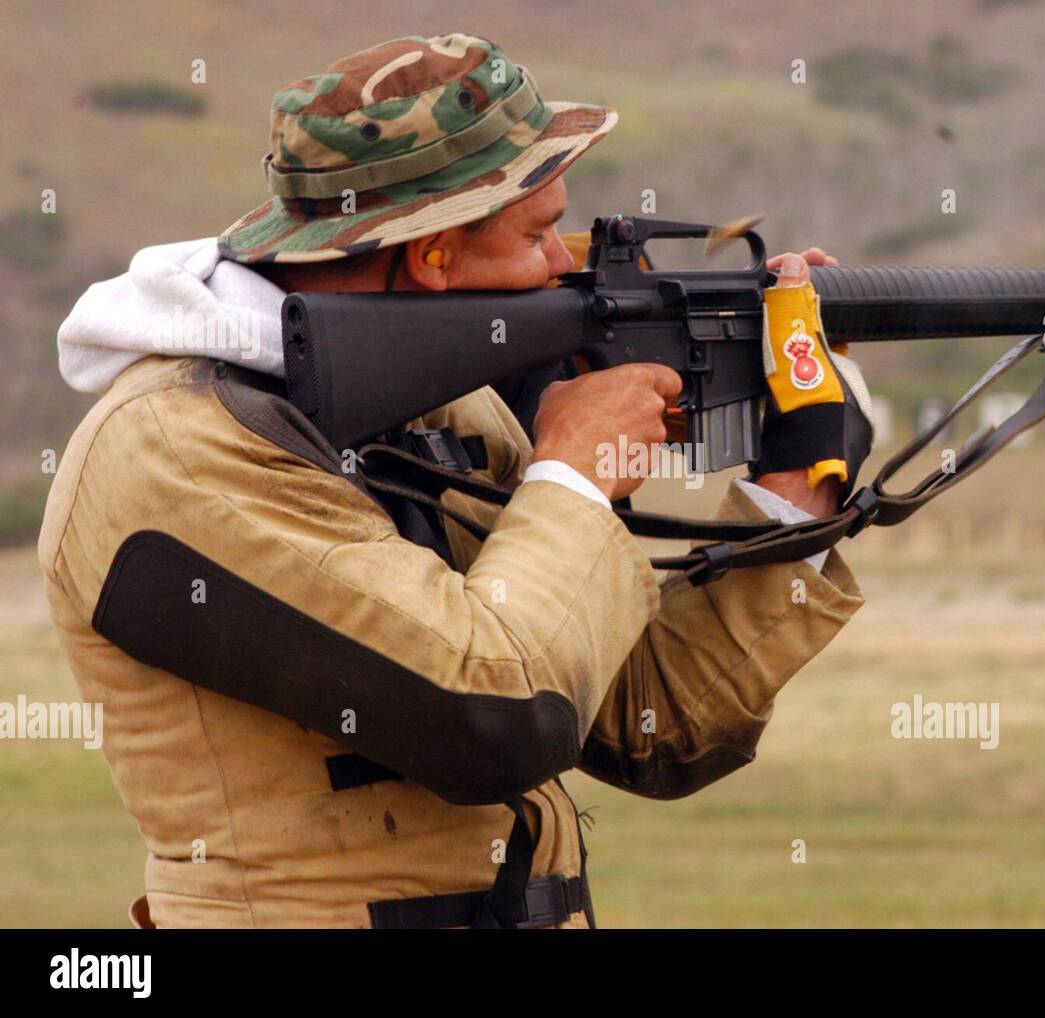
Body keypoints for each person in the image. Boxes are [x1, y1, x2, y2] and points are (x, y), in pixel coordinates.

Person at [40, 32, 869, 928]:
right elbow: (496, 717)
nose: (563, 264)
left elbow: (651, 723)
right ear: (434, 256)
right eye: (539, 232)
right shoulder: (175, 449)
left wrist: (797, 480)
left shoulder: (439, 406)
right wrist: (573, 477)